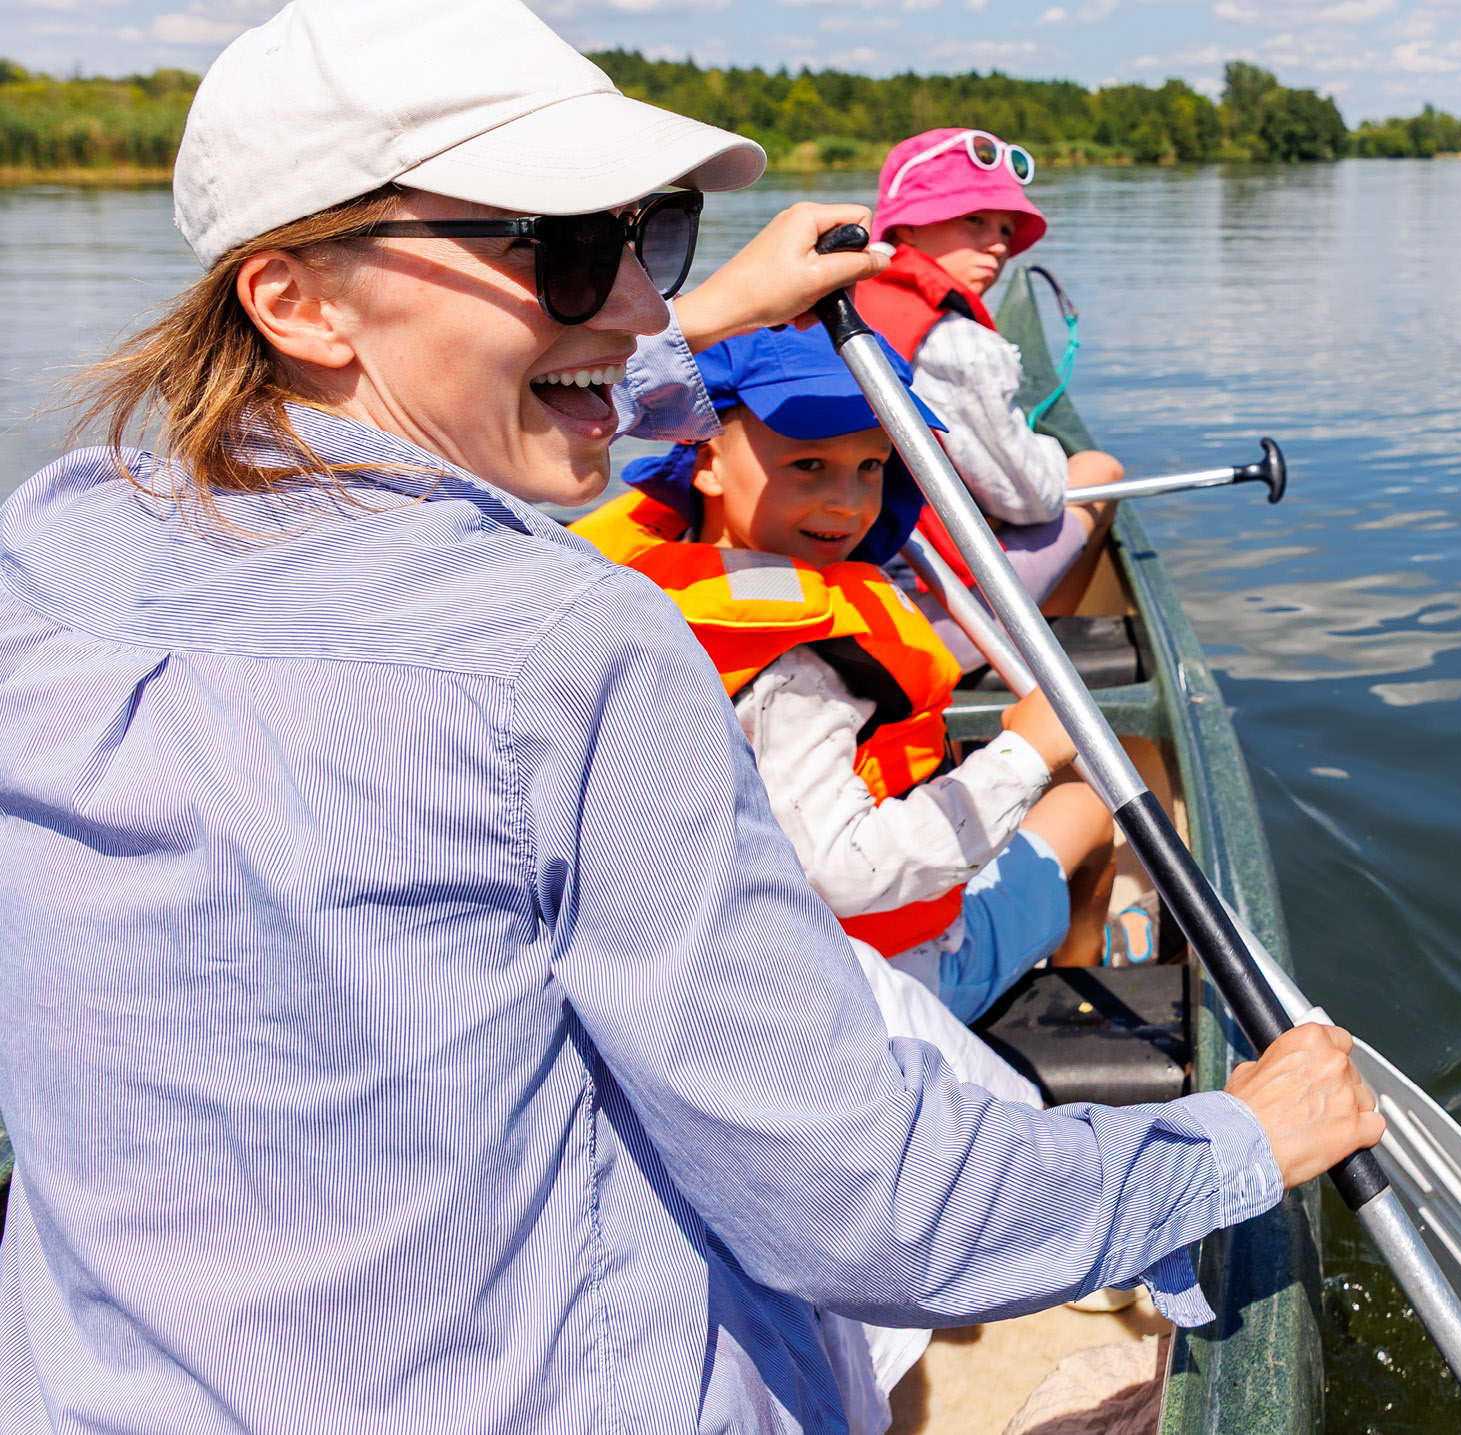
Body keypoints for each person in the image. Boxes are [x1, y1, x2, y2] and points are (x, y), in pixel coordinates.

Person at [0, 4, 1382, 1432]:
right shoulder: (568, 649)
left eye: (648, 237)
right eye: (571, 251)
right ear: (298, 299)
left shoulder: (53, 546)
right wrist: (1228, 1139)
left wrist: (716, 301)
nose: (644, 306)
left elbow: (567, 374)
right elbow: (870, 1207)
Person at [573, 323, 1128, 1002]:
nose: (851, 502)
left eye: (872, 466)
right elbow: (844, 869)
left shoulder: (624, 583)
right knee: (1085, 808)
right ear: (708, 458)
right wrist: (1024, 754)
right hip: (876, 979)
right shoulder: (802, 665)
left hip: (717, 937)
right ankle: (1074, 985)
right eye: (810, 464)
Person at [852, 127, 1129, 669]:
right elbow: (1035, 497)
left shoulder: (842, 298)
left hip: (844, 592)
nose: (999, 243)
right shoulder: (956, 340)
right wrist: (1051, 463)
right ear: (908, 224)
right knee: (1099, 469)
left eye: (1004, 226)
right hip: (922, 622)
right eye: (973, 220)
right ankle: (1043, 642)